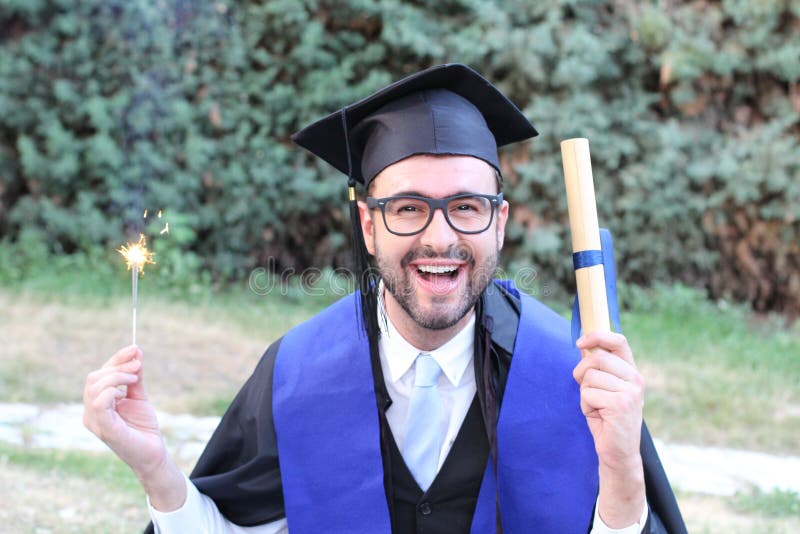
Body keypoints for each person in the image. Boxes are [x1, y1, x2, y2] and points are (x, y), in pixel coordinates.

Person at [83, 64, 687, 533]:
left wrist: (622, 470)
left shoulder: (569, 375)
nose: (440, 236)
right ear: (369, 228)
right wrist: (155, 468)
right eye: (407, 208)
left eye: (467, 207)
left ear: (499, 223)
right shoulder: (299, 374)